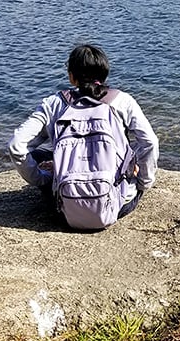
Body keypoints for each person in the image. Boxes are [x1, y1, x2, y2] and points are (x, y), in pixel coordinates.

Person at [8, 44, 159, 219]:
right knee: (132, 150)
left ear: (72, 77)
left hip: (65, 208)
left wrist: (43, 179)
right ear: (104, 74)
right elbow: (150, 142)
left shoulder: (54, 103)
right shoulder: (123, 101)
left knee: (38, 155)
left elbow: (17, 145)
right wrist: (143, 183)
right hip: (115, 206)